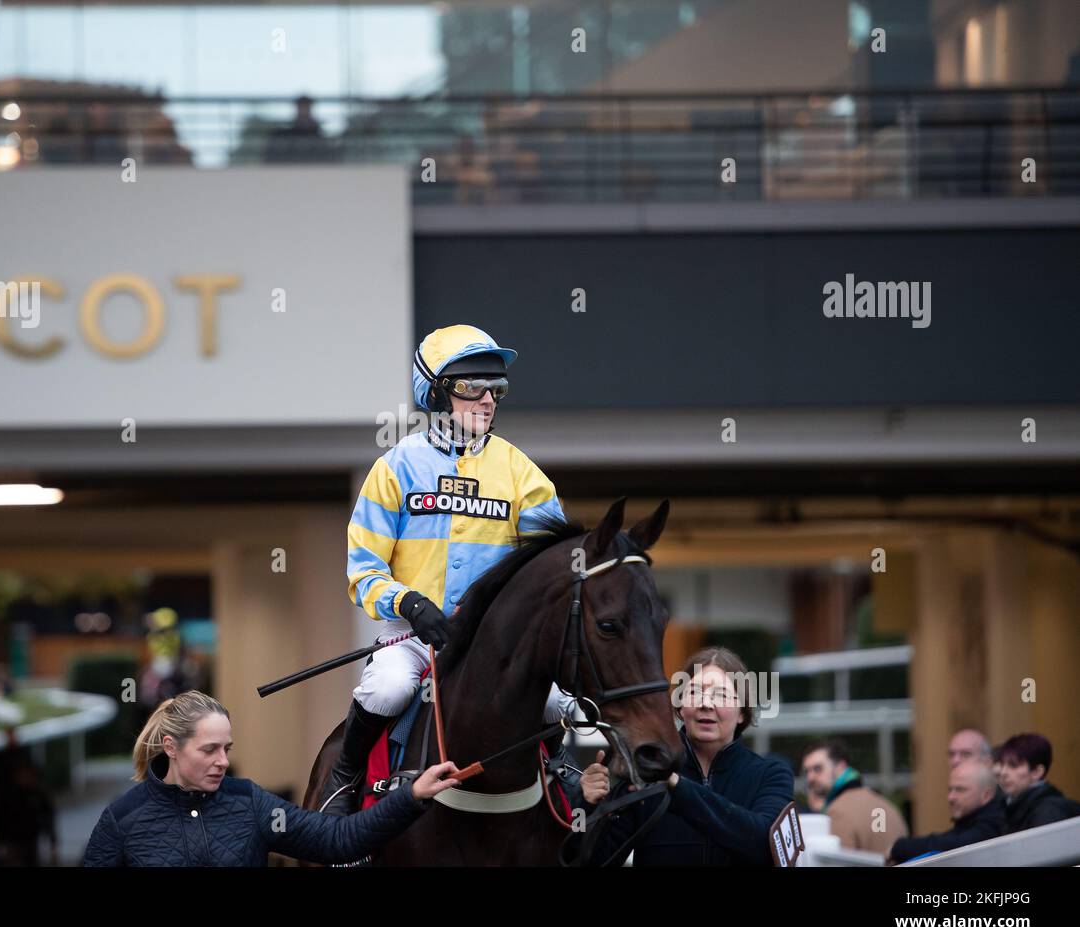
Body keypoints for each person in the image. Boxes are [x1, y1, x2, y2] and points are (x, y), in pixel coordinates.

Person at [324, 324, 573, 815]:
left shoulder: (524, 473)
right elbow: (362, 571)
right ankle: (343, 778)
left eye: (496, 389)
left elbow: (551, 570)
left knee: (561, 703)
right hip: (413, 636)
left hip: (497, 643)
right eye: (470, 388)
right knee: (387, 687)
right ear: (435, 393)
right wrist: (411, 604)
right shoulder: (393, 468)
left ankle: (564, 778)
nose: (487, 400)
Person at [83, 691, 459, 866]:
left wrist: (411, 795)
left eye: (226, 749)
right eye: (209, 750)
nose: (222, 761)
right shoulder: (122, 818)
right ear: (171, 747)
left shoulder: (249, 802)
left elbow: (337, 840)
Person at [576, 647, 794, 866]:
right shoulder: (647, 775)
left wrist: (678, 787)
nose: (706, 704)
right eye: (694, 693)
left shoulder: (770, 774)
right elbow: (588, 860)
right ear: (680, 708)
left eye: (721, 695)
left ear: (743, 712)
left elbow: (766, 846)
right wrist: (585, 806)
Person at [801, 737, 907, 855]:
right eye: (807, 771)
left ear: (840, 767)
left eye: (817, 769)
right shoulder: (885, 804)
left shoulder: (838, 811)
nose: (810, 778)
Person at [888, 761, 1004, 863]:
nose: (951, 797)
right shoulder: (969, 820)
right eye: (950, 790)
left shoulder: (993, 823)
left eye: (960, 789)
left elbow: (957, 845)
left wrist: (898, 847)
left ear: (986, 795)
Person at [996, 733, 1080, 834]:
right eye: (1001, 764)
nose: (1003, 772)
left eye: (1013, 765)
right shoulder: (1008, 806)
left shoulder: (1048, 810)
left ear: (1037, 772)